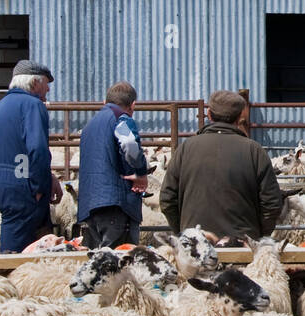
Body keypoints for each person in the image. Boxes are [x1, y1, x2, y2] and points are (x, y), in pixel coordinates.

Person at [160, 90, 283, 240]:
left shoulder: (186, 149)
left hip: (196, 246)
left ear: (209, 114)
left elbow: (167, 199)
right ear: (240, 118)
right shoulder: (254, 151)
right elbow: (271, 203)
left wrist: (183, 231)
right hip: (241, 245)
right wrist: (258, 235)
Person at [0, 59, 62, 253]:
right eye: (46, 83)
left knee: (35, 225)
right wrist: (40, 187)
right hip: (16, 186)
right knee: (18, 246)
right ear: (35, 82)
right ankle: (11, 274)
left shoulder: (0, 106)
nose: (48, 89)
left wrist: (49, 177)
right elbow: (37, 149)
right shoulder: (32, 105)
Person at [77, 81, 150, 248]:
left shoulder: (89, 125)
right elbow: (129, 145)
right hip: (116, 205)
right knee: (120, 262)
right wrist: (140, 173)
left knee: (99, 262)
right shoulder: (120, 119)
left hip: (91, 205)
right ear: (133, 106)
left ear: (105, 103)